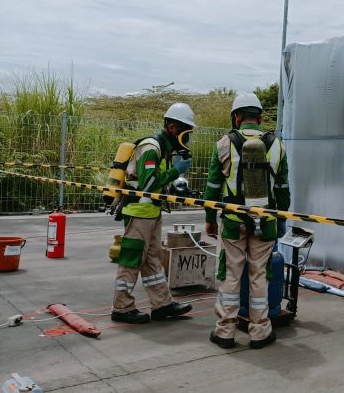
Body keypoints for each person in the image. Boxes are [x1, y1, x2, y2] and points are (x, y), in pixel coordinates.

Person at [204, 93, 290, 349]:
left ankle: (225, 332)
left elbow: (212, 188)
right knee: (259, 275)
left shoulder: (223, 144)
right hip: (265, 222)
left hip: (232, 221)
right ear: (260, 117)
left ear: (237, 117)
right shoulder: (278, 146)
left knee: (231, 275)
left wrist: (210, 219)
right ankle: (260, 332)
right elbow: (283, 189)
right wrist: (281, 219)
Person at [110, 103, 196, 324]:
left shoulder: (163, 149)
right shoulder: (152, 147)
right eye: (184, 131)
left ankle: (162, 305)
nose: (186, 137)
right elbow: (147, 183)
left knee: (152, 262)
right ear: (172, 126)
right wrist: (175, 171)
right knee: (131, 260)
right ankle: (121, 308)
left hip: (150, 213)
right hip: (138, 213)